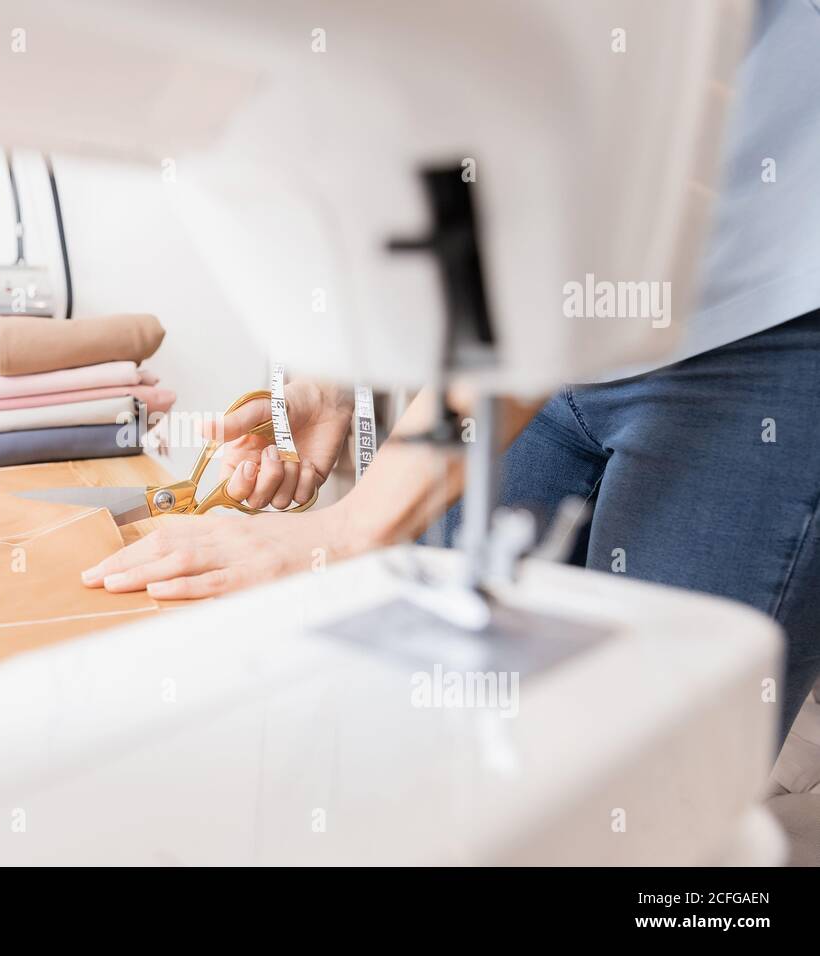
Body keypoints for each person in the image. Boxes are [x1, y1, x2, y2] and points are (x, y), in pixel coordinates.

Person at [82, 0, 820, 735]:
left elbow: (577, 202)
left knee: (655, 750)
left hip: (763, 308)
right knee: (447, 696)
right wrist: (338, 371)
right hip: (564, 335)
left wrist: (348, 530)